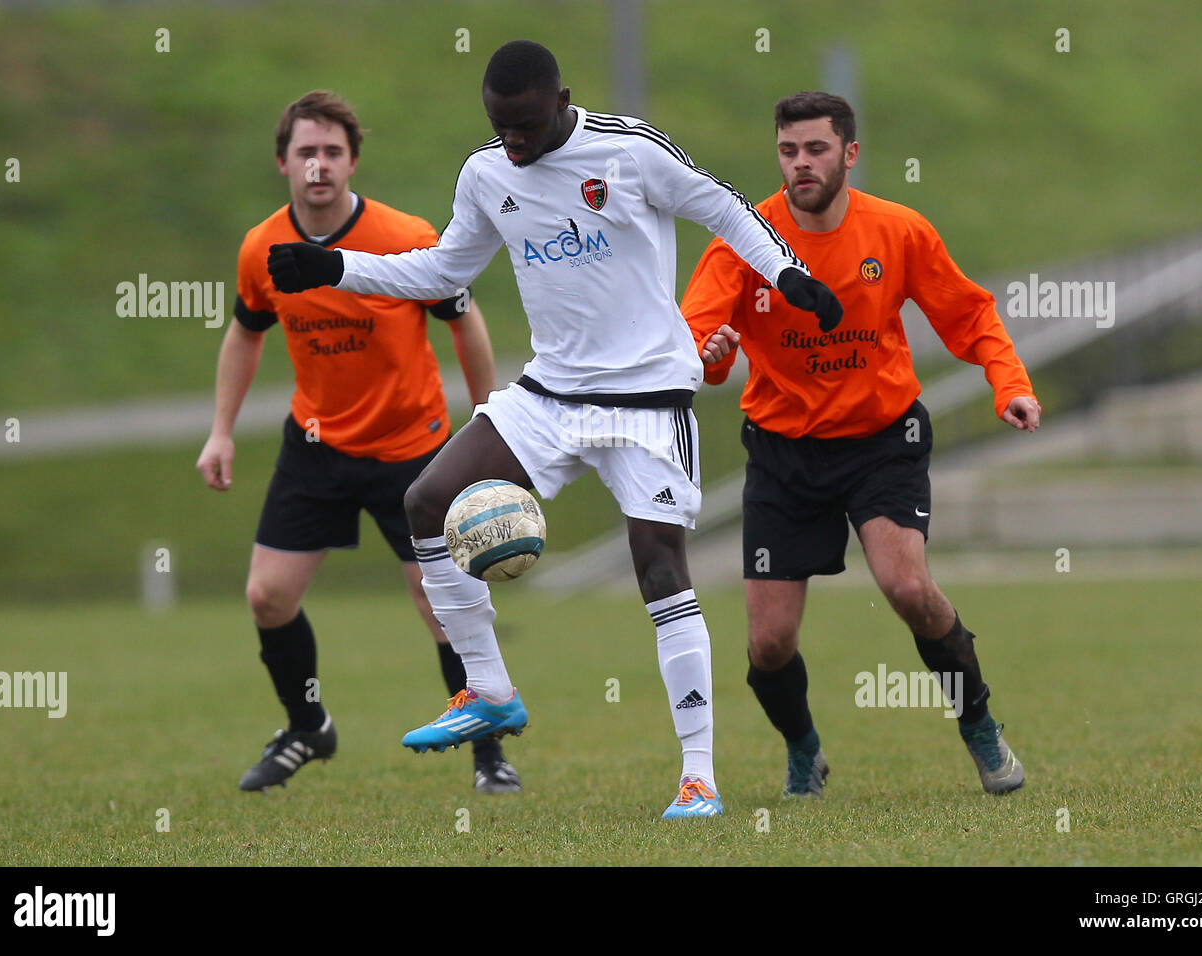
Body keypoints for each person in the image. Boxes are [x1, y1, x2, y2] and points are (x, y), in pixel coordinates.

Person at [266, 42, 843, 818]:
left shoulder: (630, 150)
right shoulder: (488, 173)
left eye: (528, 126)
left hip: (646, 399)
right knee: (427, 499)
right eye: (501, 128)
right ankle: (492, 689)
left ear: (561, 100)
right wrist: (338, 270)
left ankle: (698, 776)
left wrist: (789, 275)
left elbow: (723, 208)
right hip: (552, 393)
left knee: (659, 569)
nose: (515, 143)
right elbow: (443, 271)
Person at [681, 91, 1040, 798]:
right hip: (783, 451)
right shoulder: (742, 239)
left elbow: (969, 314)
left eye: (815, 149)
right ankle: (803, 748)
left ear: (849, 153)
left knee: (908, 587)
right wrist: (716, 355)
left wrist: (1010, 386)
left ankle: (980, 728)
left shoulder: (897, 231)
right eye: (788, 151)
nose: (800, 164)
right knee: (768, 644)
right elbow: (691, 346)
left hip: (883, 440)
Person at [196, 90, 521, 795]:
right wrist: (221, 431)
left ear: (352, 163)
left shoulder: (403, 234)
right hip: (315, 447)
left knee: (439, 604)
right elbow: (245, 335)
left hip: (412, 446)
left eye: (332, 153)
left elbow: (464, 321)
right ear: (283, 162)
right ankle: (308, 727)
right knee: (267, 597)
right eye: (306, 152)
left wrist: (489, 417)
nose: (319, 165)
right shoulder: (262, 248)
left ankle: (489, 750)